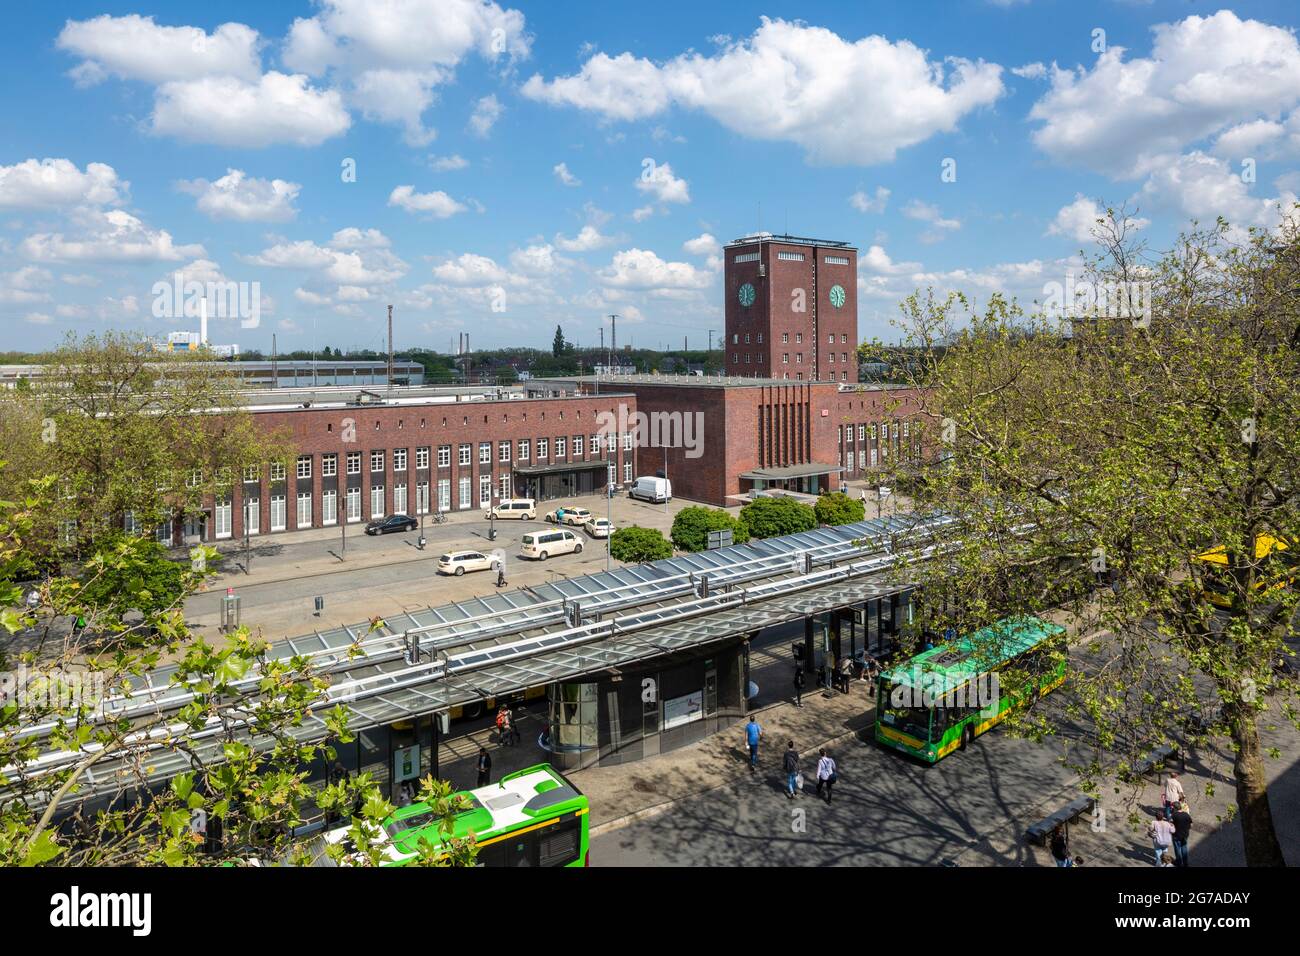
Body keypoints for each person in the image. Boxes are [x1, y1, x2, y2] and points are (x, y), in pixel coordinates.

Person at [1171, 800, 1193, 867]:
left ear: (1175, 808)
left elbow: (1171, 825)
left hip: (1176, 835)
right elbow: (1191, 824)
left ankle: (1179, 862)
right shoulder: (1186, 814)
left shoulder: (1174, 815)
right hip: (1185, 835)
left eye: (1173, 808)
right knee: (1184, 848)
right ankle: (1185, 863)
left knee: (1177, 849)